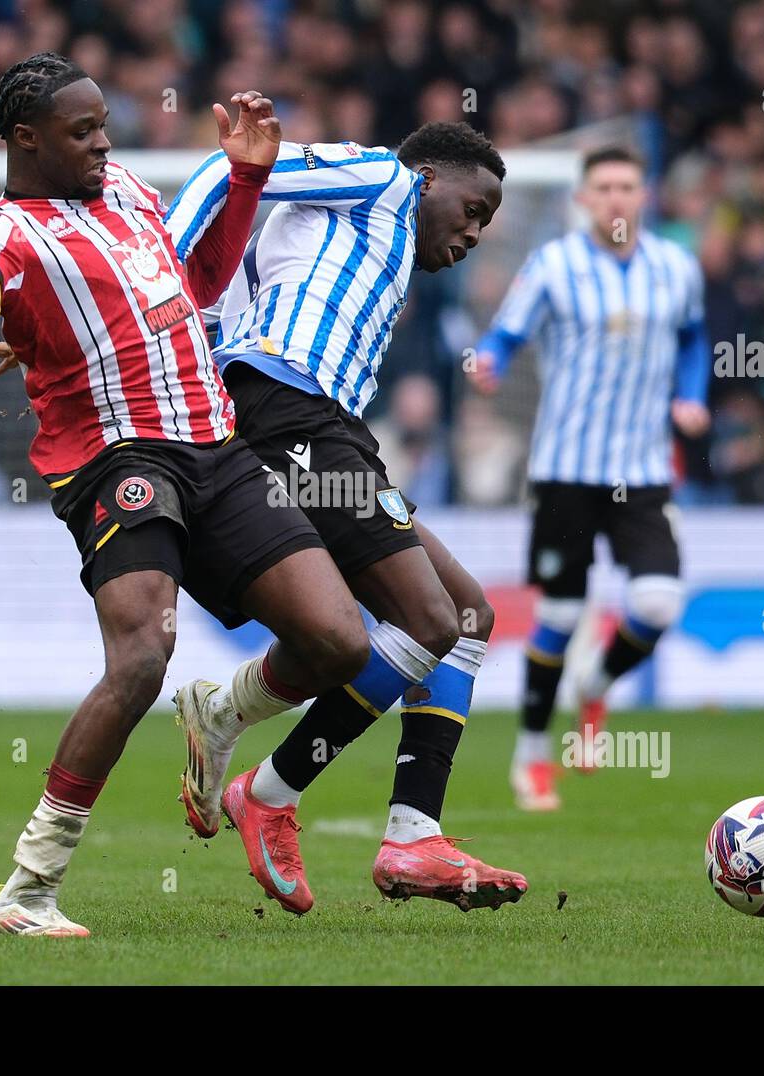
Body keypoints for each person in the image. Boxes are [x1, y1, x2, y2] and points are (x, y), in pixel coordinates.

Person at [0, 52, 369, 937]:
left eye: (103, 125)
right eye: (82, 131)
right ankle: (27, 888)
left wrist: (246, 182)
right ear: (25, 139)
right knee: (138, 660)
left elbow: (195, 286)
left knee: (338, 641)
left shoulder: (125, 189)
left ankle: (222, 712)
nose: (103, 141)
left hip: (215, 447)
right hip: (116, 459)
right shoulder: (7, 233)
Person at [164, 123, 527, 914]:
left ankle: (411, 832)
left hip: (325, 426)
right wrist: (150, 283)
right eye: (472, 208)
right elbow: (230, 171)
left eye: (487, 225)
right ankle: (267, 789)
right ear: (429, 177)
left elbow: (224, 290)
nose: (472, 231)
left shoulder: (353, 243)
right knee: (427, 619)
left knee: (466, 614)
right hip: (287, 410)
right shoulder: (380, 179)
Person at [471, 146, 710, 811]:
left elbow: (695, 340)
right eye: (602, 186)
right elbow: (507, 335)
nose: (615, 198)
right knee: (560, 613)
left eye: (626, 186)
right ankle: (533, 753)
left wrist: (692, 395)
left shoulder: (675, 269)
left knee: (659, 602)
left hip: (643, 470)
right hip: (566, 470)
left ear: (645, 196)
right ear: (582, 199)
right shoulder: (554, 265)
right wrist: (486, 360)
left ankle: (597, 682)